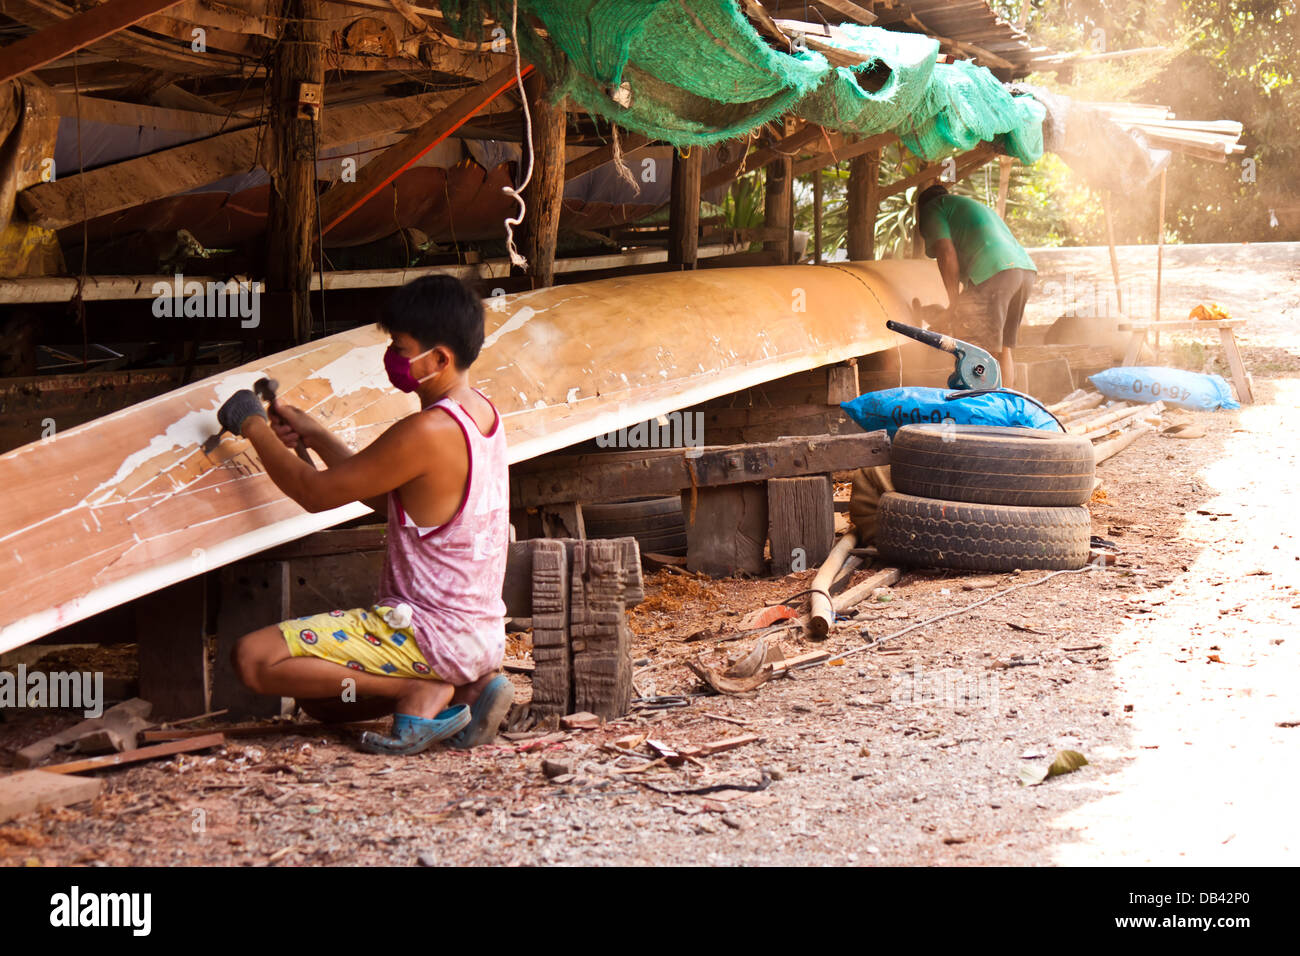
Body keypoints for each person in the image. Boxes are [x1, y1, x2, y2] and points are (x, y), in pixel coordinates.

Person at [216, 275, 513, 755]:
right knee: (327, 705)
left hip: (426, 635)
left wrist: (252, 423)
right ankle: (464, 690)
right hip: (476, 636)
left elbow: (312, 493)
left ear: (439, 359)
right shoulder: (482, 414)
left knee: (254, 659)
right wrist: (314, 435)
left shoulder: (426, 430)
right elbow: (394, 495)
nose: (392, 357)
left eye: (401, 347)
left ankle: (417, 690)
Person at [916, 182, 1037, 388]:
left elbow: (945, 252)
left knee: (974, 345)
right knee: (1003, 348)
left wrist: (954, 304)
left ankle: (980, 405)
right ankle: (1004, 403)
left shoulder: (932, 207)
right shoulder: (966, 207)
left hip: (996, 271)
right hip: (1024, 270)